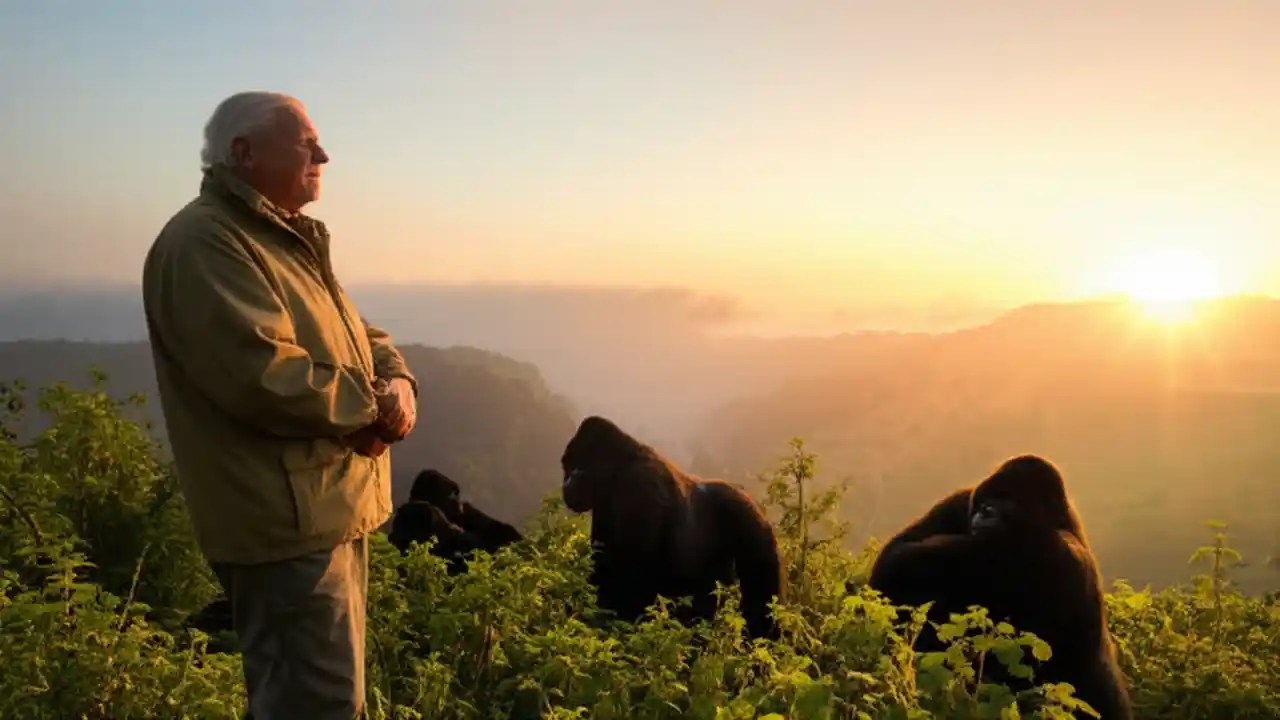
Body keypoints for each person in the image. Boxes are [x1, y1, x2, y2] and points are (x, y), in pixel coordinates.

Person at [141, 91, 418, 719]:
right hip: (283, 524)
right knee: (313, 705)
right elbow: (260, 373)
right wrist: (375, 407)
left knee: (317, 697)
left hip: (322, 510)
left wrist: (399, 380)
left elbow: (356, 333)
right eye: (305, 142)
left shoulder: (277, 237)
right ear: (244, 153)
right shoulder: (205, 243)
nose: (324, 154)